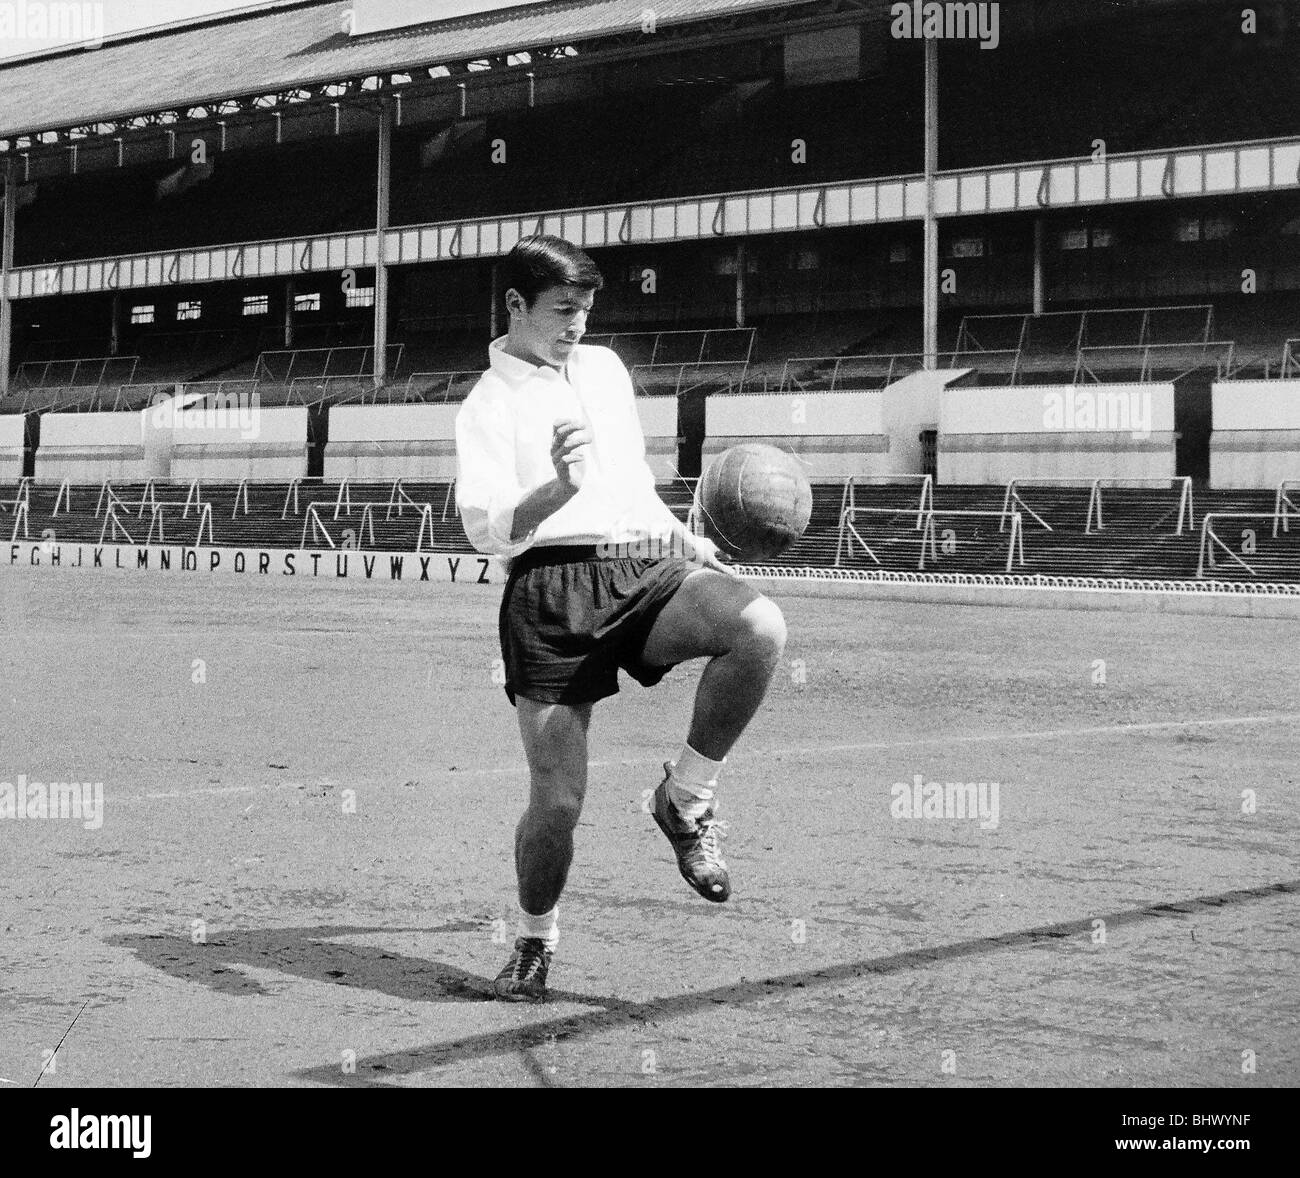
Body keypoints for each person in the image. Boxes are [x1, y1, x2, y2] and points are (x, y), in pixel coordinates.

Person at [455, 235, 787, 1001]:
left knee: (759, 628)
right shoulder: (488, 403)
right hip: (549, 589)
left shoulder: (603, 369)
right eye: (563, 311)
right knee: (559, 801)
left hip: (639, 564)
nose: (578, 326)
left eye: (586, 311)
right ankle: (535, 942)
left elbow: (632, 475)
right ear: (516, 305)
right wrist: (558, 489)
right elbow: (487, 530)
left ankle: (685, 799)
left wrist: (676, 531)